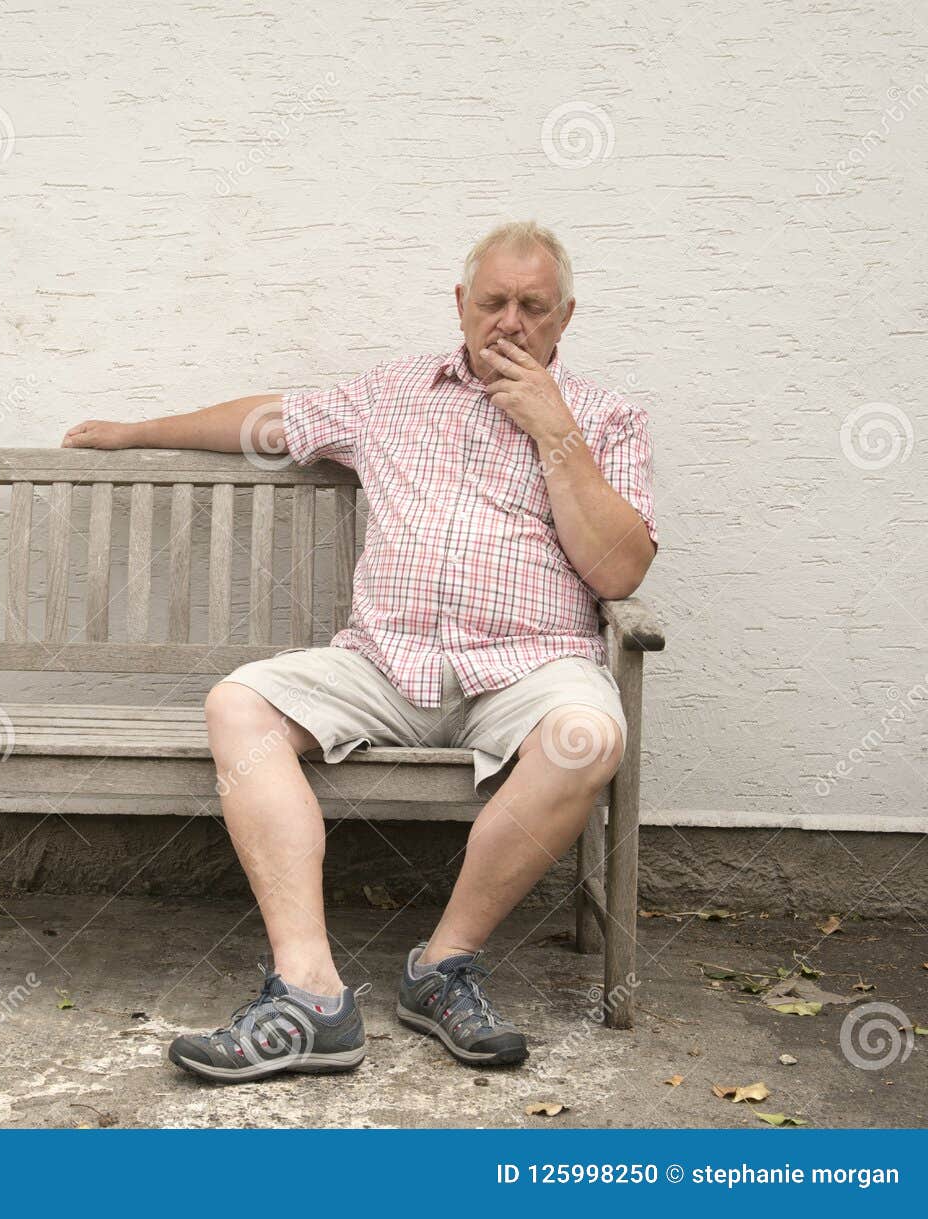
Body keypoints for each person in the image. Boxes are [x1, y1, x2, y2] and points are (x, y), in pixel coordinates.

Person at [60, 220, 659, 1083]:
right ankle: (311, 996)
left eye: (533, 307)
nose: (510, 323)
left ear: (565, 317)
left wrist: (556, 431)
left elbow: (619, 567)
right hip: (387, 662)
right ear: (462, 305)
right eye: (492, 302)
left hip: (529, 665)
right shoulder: (392, 394)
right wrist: (136, 430)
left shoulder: (607, 417)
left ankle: (443, 967)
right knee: (239, 703)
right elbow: (270, 420)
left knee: (591, 735)